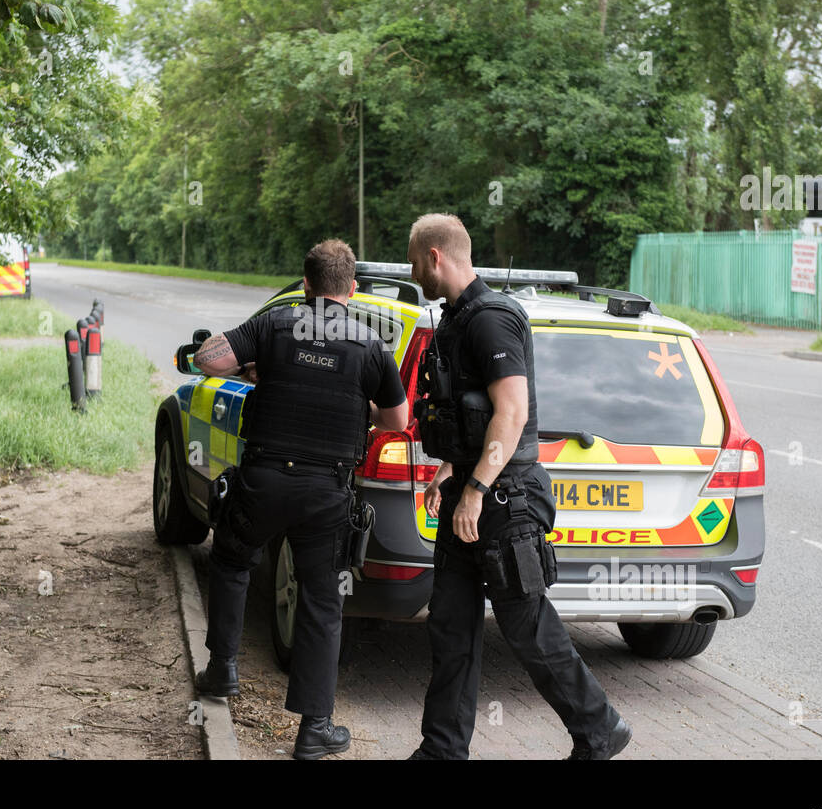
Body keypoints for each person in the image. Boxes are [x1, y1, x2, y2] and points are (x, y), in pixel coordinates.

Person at [405, 213, 631, 760]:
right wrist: (450, 472)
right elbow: (471, 414)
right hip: (469, 491)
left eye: (416, 262)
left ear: (435, 256)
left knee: (526, 625)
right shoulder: (456, 320)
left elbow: (512, 412)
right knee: (451, 627)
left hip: (507, 500)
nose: (415, 273)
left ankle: (600, 730)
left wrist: (478, 487)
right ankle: (441, 750)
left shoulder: (492, 320)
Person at [192, 238, 409, 759]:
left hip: (264, 479)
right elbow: (398, 421)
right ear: (351, 289)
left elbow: (206, 359)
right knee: (322, 601)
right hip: (326, 493)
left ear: (306, 282)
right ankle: (314, 729)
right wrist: (362, 410)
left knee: (230, 560)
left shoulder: (274, 324)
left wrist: (256, 370)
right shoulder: (369, 343)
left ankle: (222, 670)